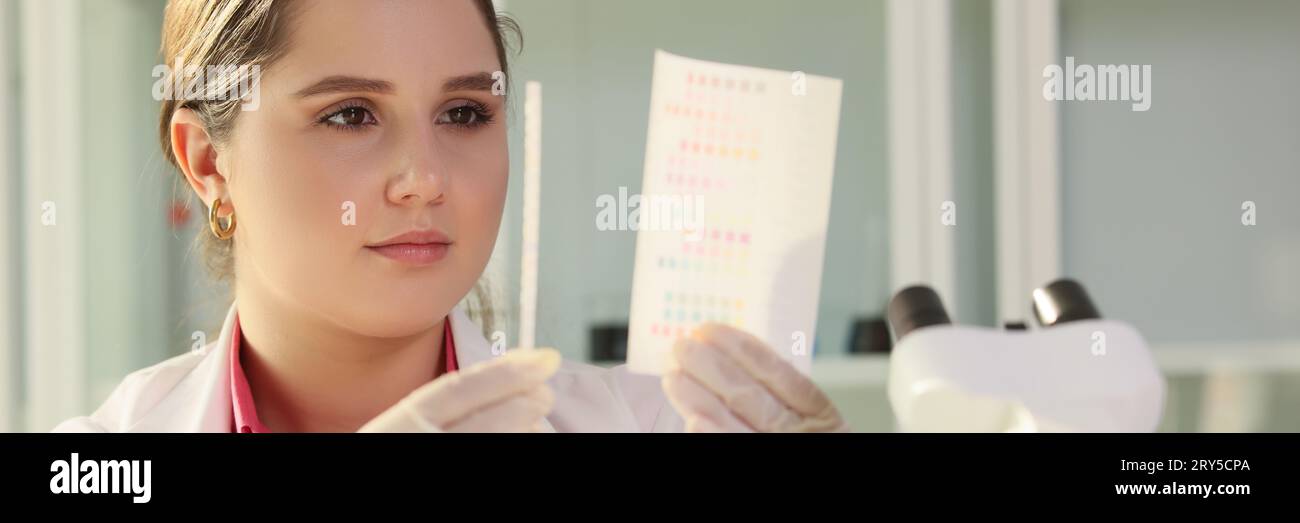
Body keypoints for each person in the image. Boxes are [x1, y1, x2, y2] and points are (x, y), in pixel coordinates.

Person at [54, 0, 847, 434]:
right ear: (208, 162)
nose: (425, 180)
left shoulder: (656, 426)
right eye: (351, 114)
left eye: (465, 113)